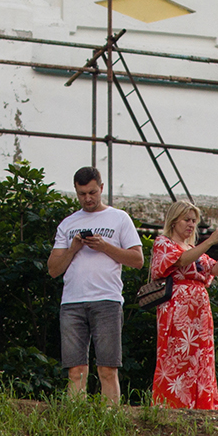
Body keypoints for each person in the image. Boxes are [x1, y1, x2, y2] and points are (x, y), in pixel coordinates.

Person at [47, 166, 143, 403]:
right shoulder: (68, 223)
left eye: (92, 192)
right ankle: (75, 420)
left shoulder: (119, 218)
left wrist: (104, 247)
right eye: (82, 194)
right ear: (76, 192)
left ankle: (109, 421)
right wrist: (74, 248)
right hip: (72, 301)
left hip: (107, 300)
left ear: (101, 188)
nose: (87, 199)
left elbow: (138, 260)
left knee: (107, 369)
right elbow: (53, 269)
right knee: (75, 370)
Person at [150, 200, 218, 411]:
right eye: (186, 220)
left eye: (193, 221)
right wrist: (209, 242)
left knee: (201, 356)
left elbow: (214, 270)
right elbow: (179, 261)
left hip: (199, 311)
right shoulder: (164, 243)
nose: (190, 224)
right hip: (177, 308)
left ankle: (201, 404)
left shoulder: (194, 249)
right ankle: (172, 404)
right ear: (174, 220)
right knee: (176, 355)